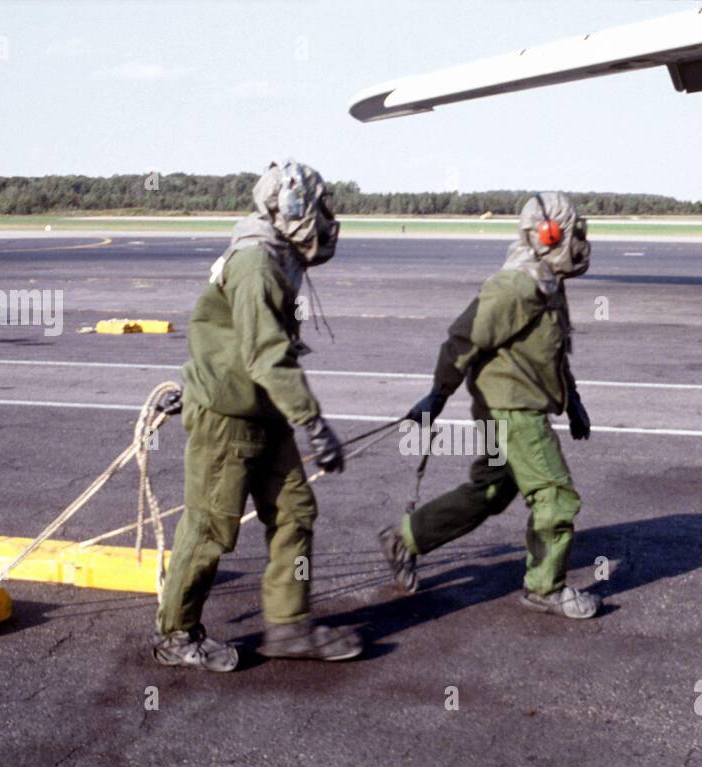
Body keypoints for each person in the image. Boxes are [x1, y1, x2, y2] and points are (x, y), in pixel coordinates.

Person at [153, 159, 361, 672]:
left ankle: (289, 627)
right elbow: (265, 353)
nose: (325, 216)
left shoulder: (275, 257)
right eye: (316, 206)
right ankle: (176, 635)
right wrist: (315, 423)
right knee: (209, 529)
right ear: (290, 208)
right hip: (229, 417)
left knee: (295, 512)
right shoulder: (256, 264)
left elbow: (230, 337)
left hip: (261, 410)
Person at [379, 192, 601, 620]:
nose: (579, 241)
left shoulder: (546, 281)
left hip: (518, 404)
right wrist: (437, 395)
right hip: (511, 410)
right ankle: (544, 588)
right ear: (551, 234)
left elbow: (552, 352)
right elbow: (463, 339)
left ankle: (404, 539)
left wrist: (573, 400)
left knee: (492, 491)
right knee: (554, 494)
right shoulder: (516, 284)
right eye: (572, 232)